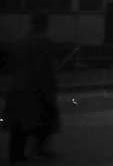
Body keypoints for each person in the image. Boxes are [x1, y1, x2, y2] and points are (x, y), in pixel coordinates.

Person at [5, 13, 60, 162]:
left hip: (17, 89)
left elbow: (10, 67)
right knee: (44, 121)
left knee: (18, 126)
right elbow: (48, 70)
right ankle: (39, 149)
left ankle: (16, 155)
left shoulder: (18, 42)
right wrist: (52, 89)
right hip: (37, 91)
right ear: (44, 25)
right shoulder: (46, 43)